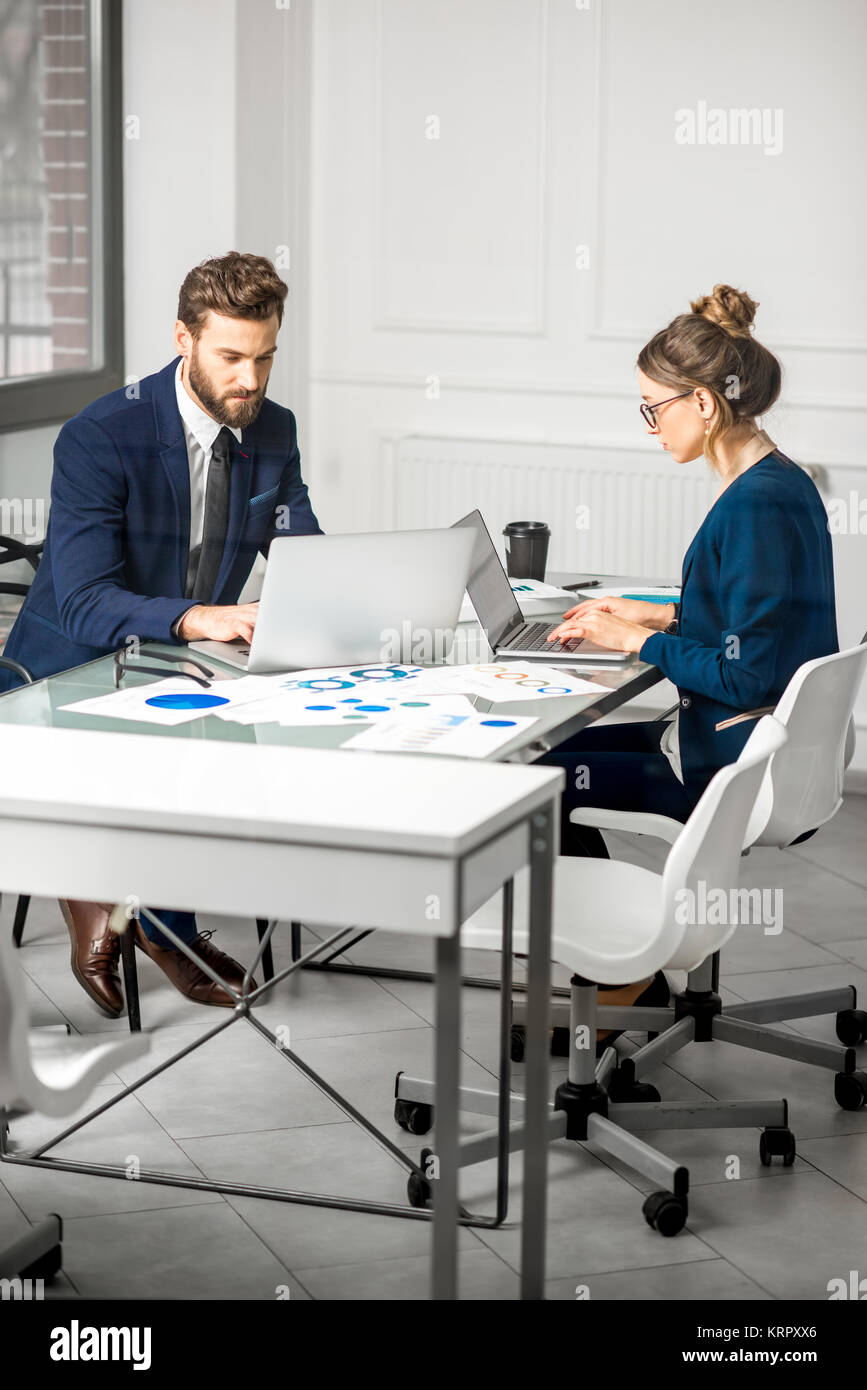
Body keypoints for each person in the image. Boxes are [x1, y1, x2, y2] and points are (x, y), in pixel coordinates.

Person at [1, 252, 322, 1017]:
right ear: (183, 338)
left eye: (266, 357)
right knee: (168, 752)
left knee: (259, 739)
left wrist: (345, 598)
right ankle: (146, 916)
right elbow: (80, 601)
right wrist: (196, 617)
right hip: (62, 671)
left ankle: (143, 908)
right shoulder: (100, 436)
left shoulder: (271, 431)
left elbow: (302, 548)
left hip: (178, 666)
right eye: (231, 357)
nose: (251, 378)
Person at [541, 283, 838, 1046]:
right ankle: (622, 974)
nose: (648, 426)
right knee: (548, 757)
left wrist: (630, 642)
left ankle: (621, 971)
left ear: (702, 405)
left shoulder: (752, 506)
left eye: (653, 407)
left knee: (532, 782)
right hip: (756, 748)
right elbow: (757, 624)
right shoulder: (780, 482)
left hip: (726, 764)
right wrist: (661, 614)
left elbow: (742, 674)